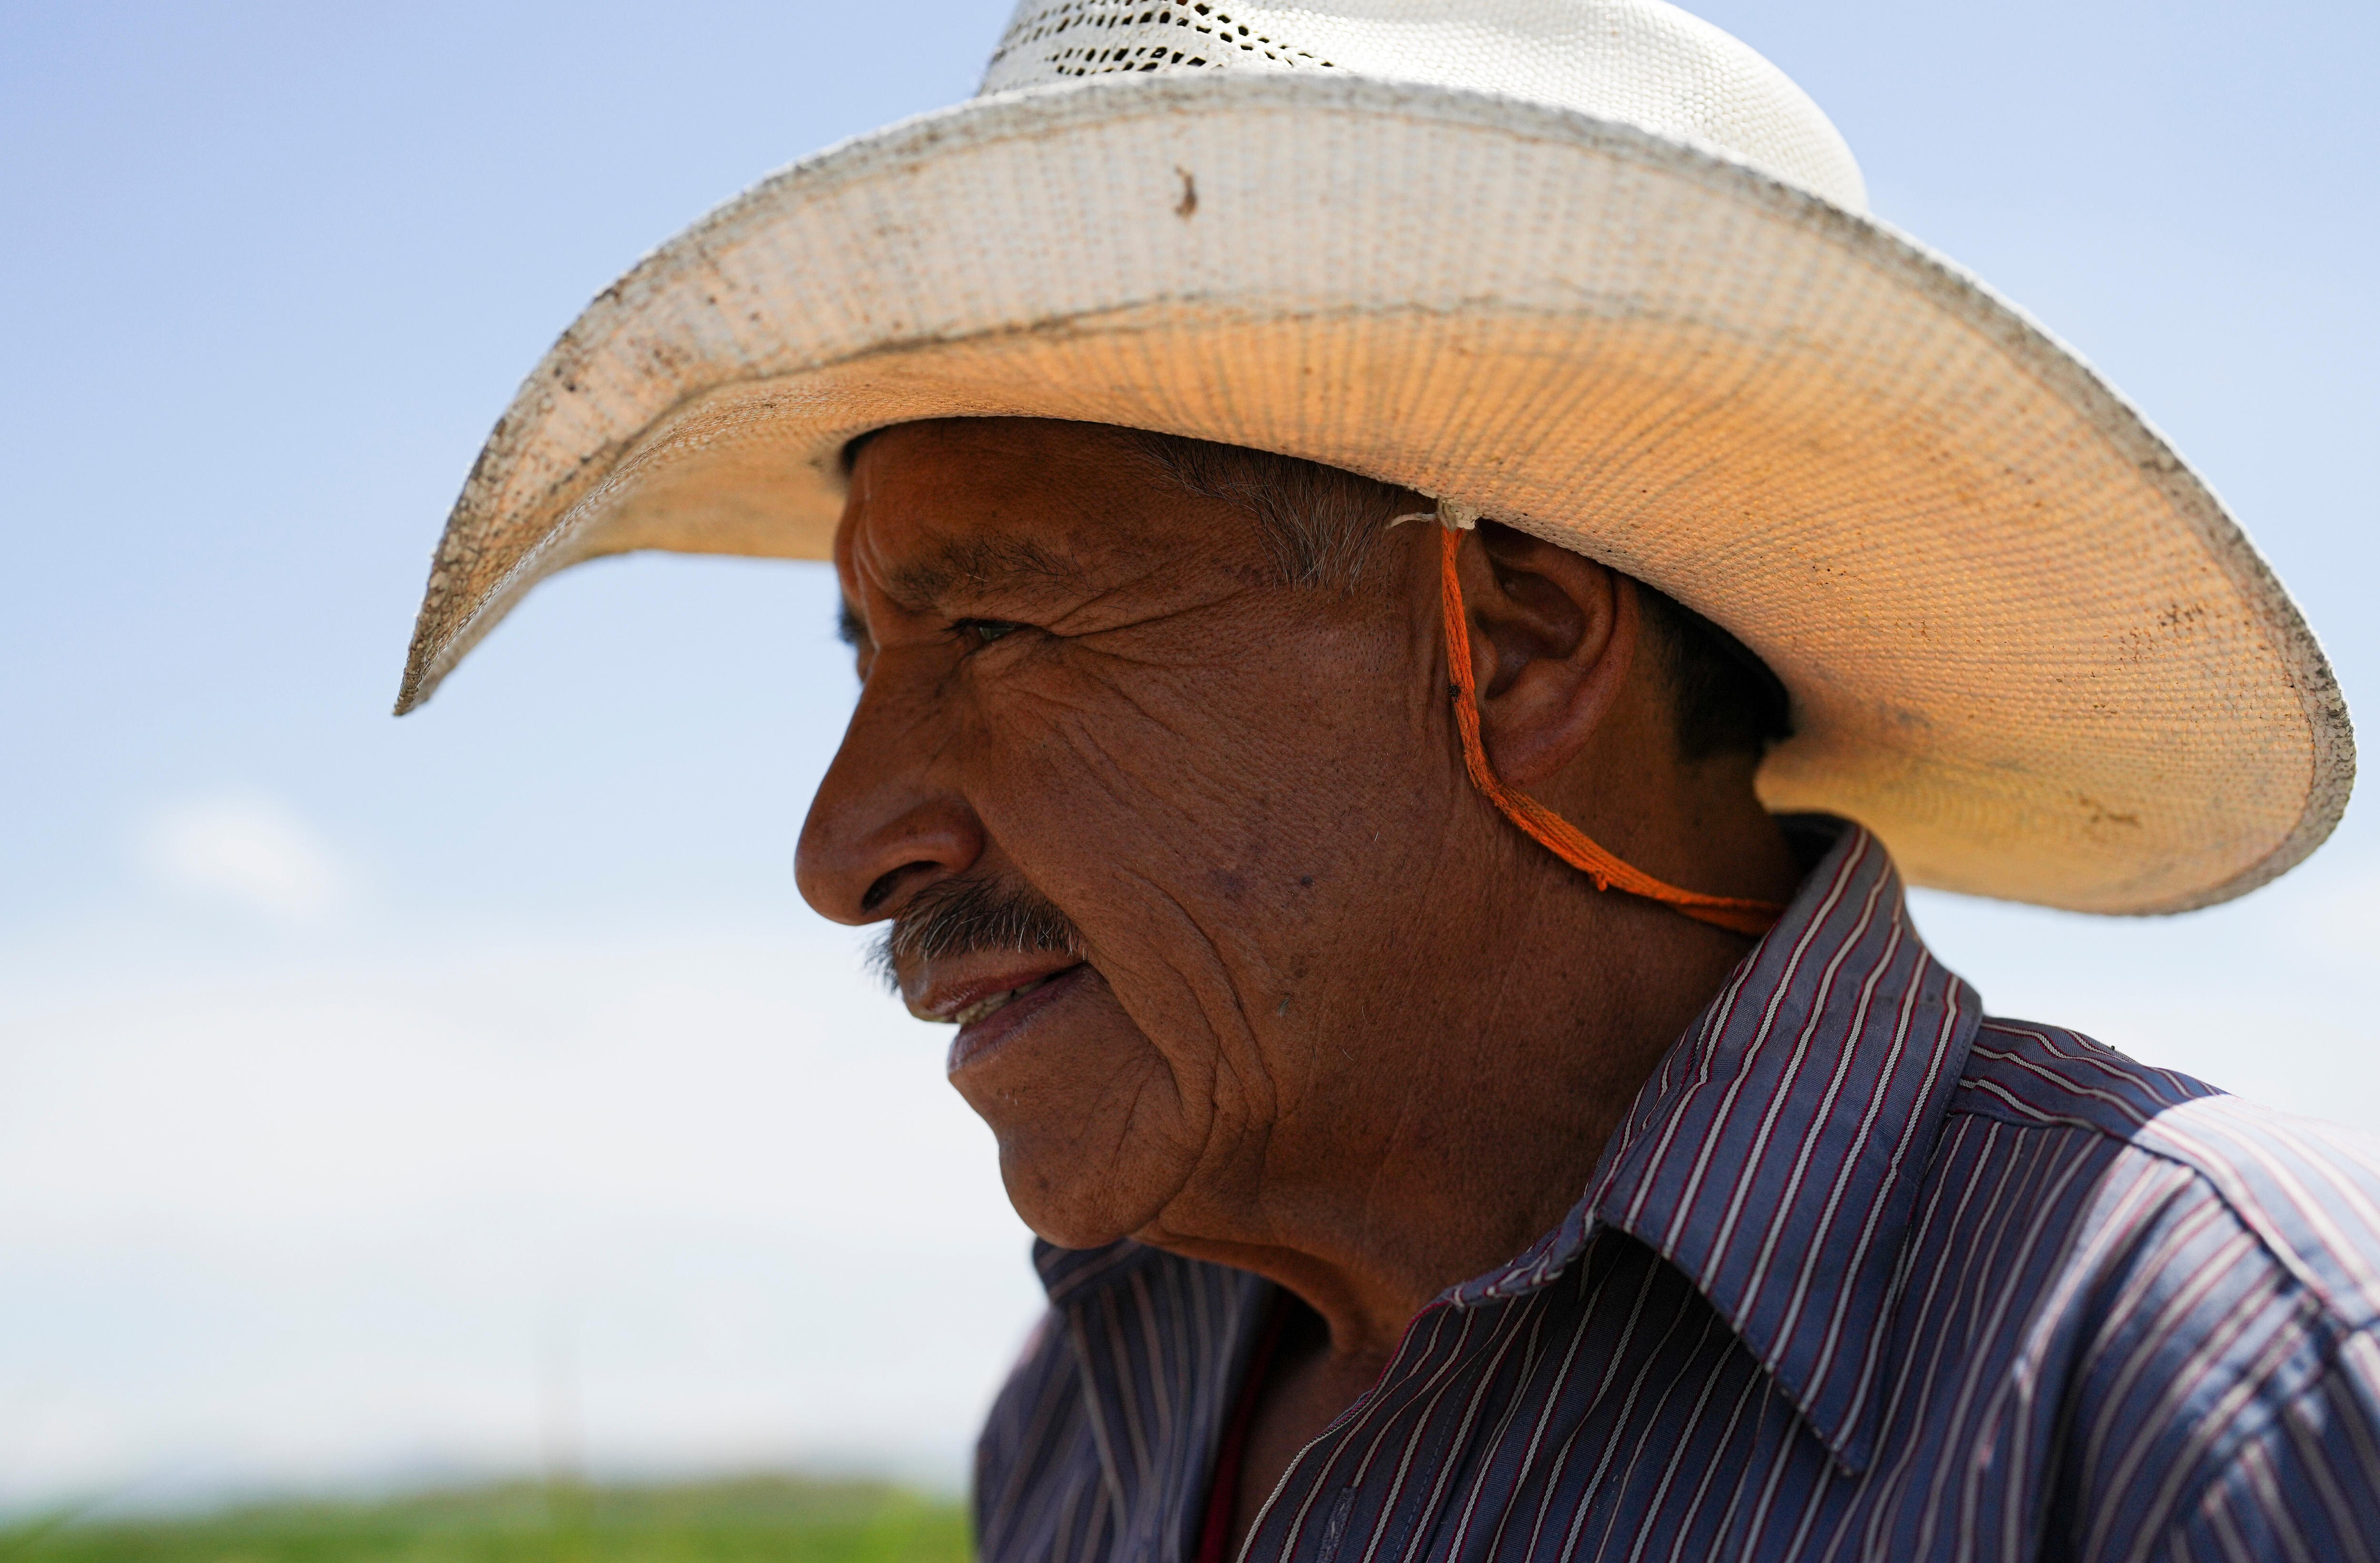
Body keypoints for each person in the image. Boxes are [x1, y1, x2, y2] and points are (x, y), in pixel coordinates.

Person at [397, 3, 2368, 1558]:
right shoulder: (1093, 1408)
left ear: (1512, 641)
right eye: (867, 654)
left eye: (994, 630)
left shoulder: (2210, 1376)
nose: (845, 851)